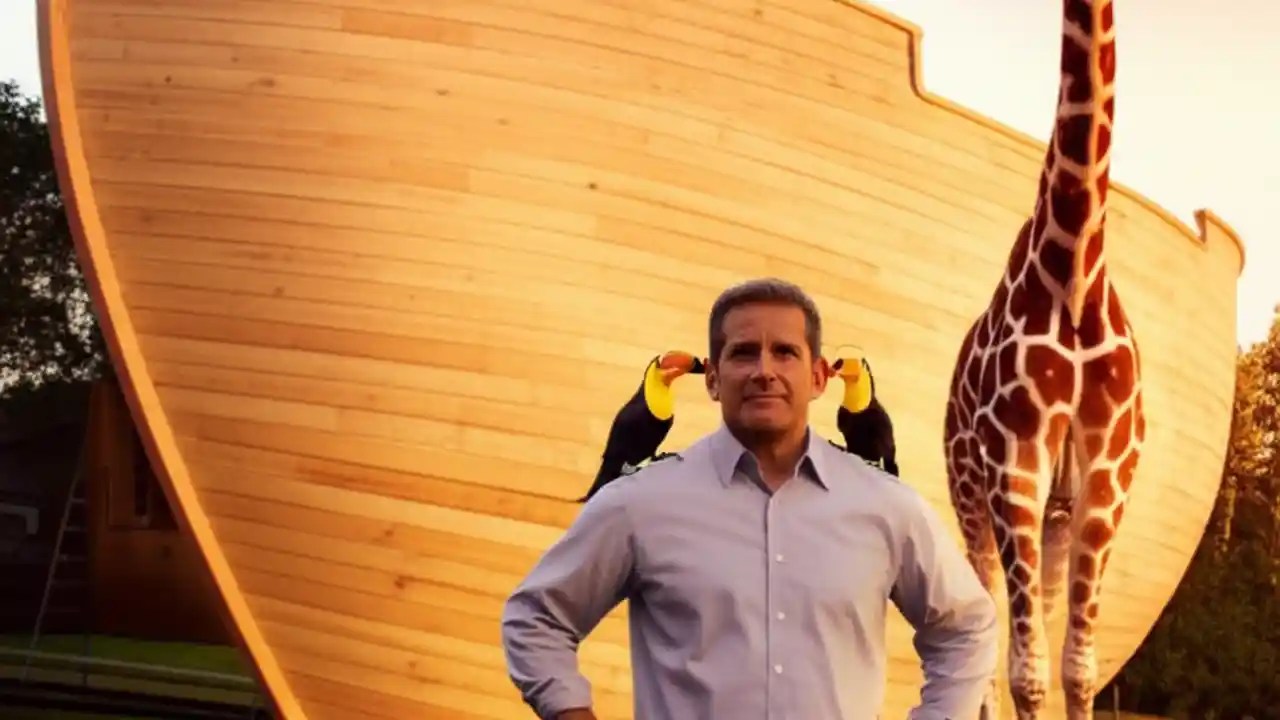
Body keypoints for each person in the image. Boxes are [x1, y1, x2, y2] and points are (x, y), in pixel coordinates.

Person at [500, 277, 998, 720]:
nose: (764, 370)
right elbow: (536, 617)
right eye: (743, 353)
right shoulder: (640, 504)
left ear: (819, 377)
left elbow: (967, 628)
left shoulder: (889, 508)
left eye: (785, 351)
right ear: (713, 379)